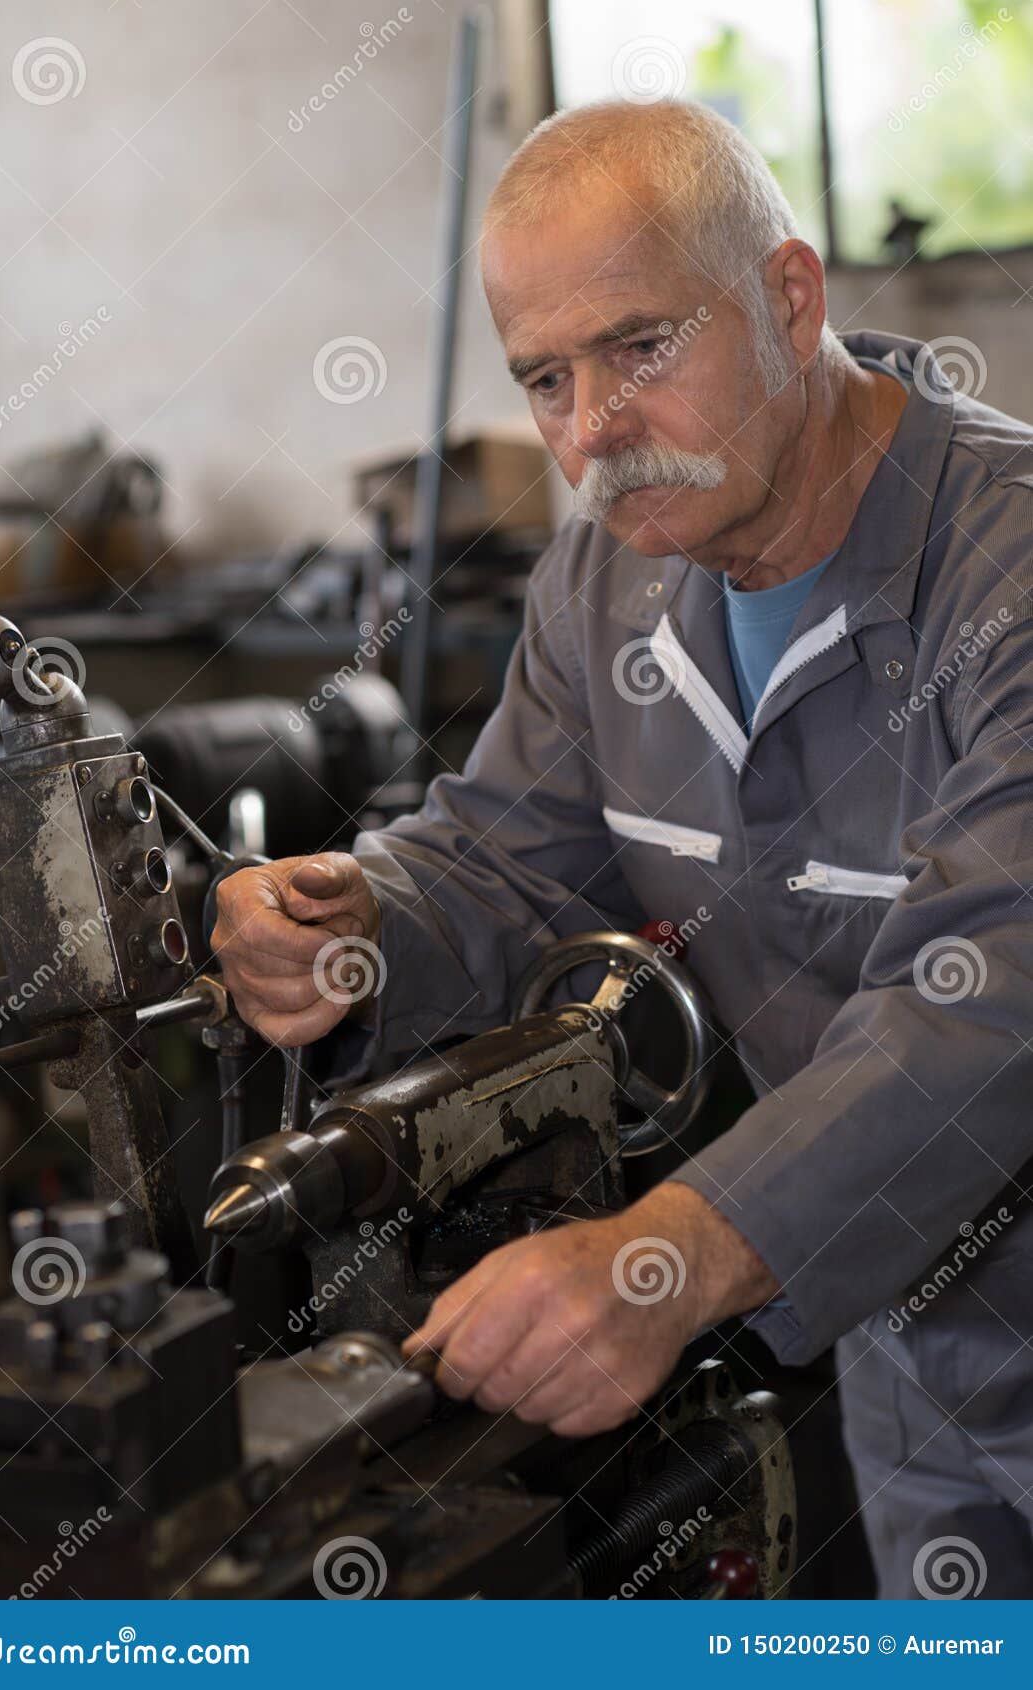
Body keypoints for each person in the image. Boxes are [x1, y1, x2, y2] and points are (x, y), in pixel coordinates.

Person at [212, 99, 1033, 1598]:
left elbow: (991, 1000)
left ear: (794, 297)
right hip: (907, 1346)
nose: (591, 430)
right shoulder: (606, 581)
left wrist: (679, 1252)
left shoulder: (1012, 568)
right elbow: (509, 857)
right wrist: (353, 918)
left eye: (642, 348)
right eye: (545, 378)